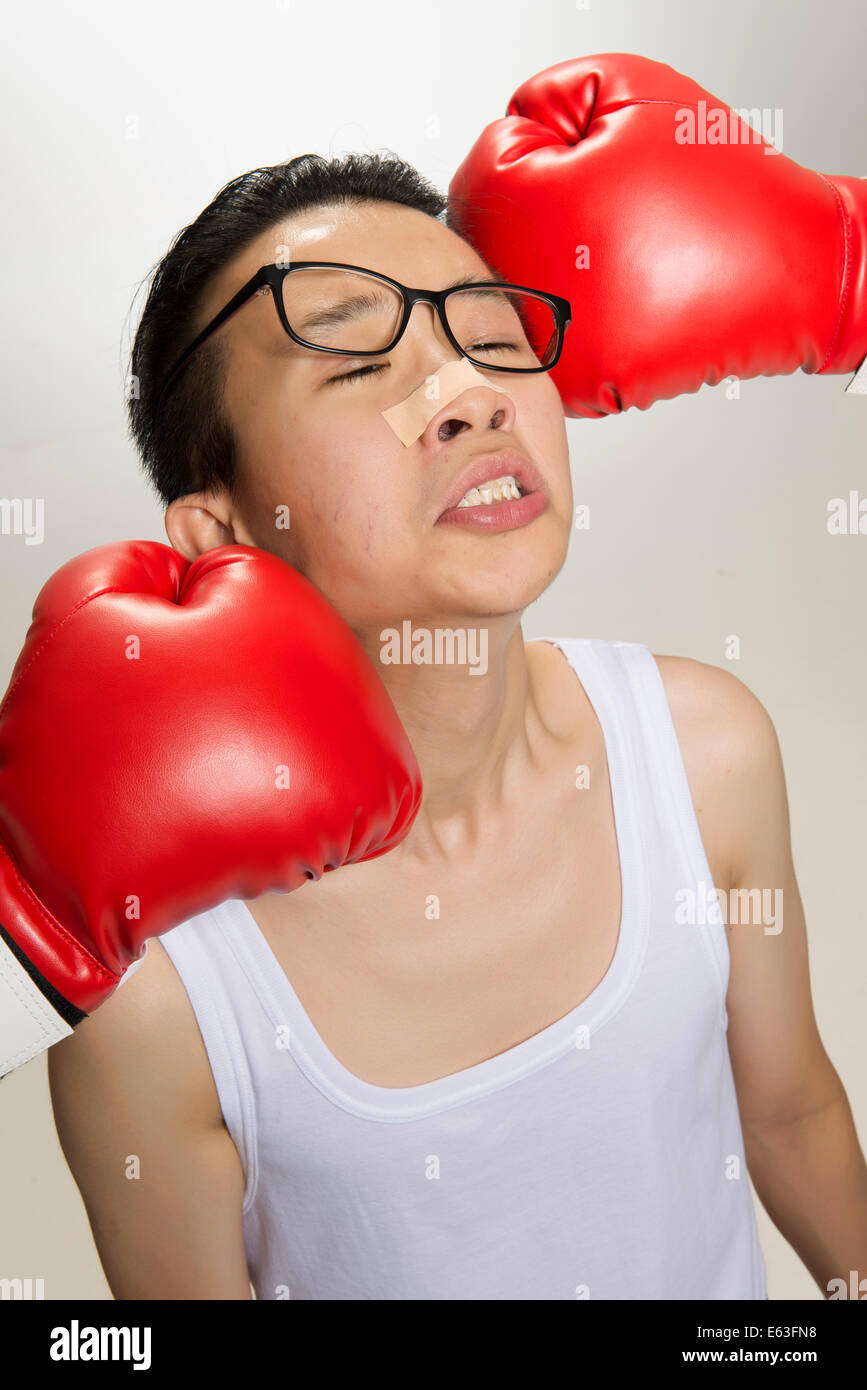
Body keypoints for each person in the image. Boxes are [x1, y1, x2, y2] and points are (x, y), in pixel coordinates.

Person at [45, 150, 867, 1300]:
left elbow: (791, 1114)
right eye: (359, 362)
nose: (469, 394)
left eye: (490, 335)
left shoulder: (703, 753)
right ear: (218, 534)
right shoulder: (150, 988)